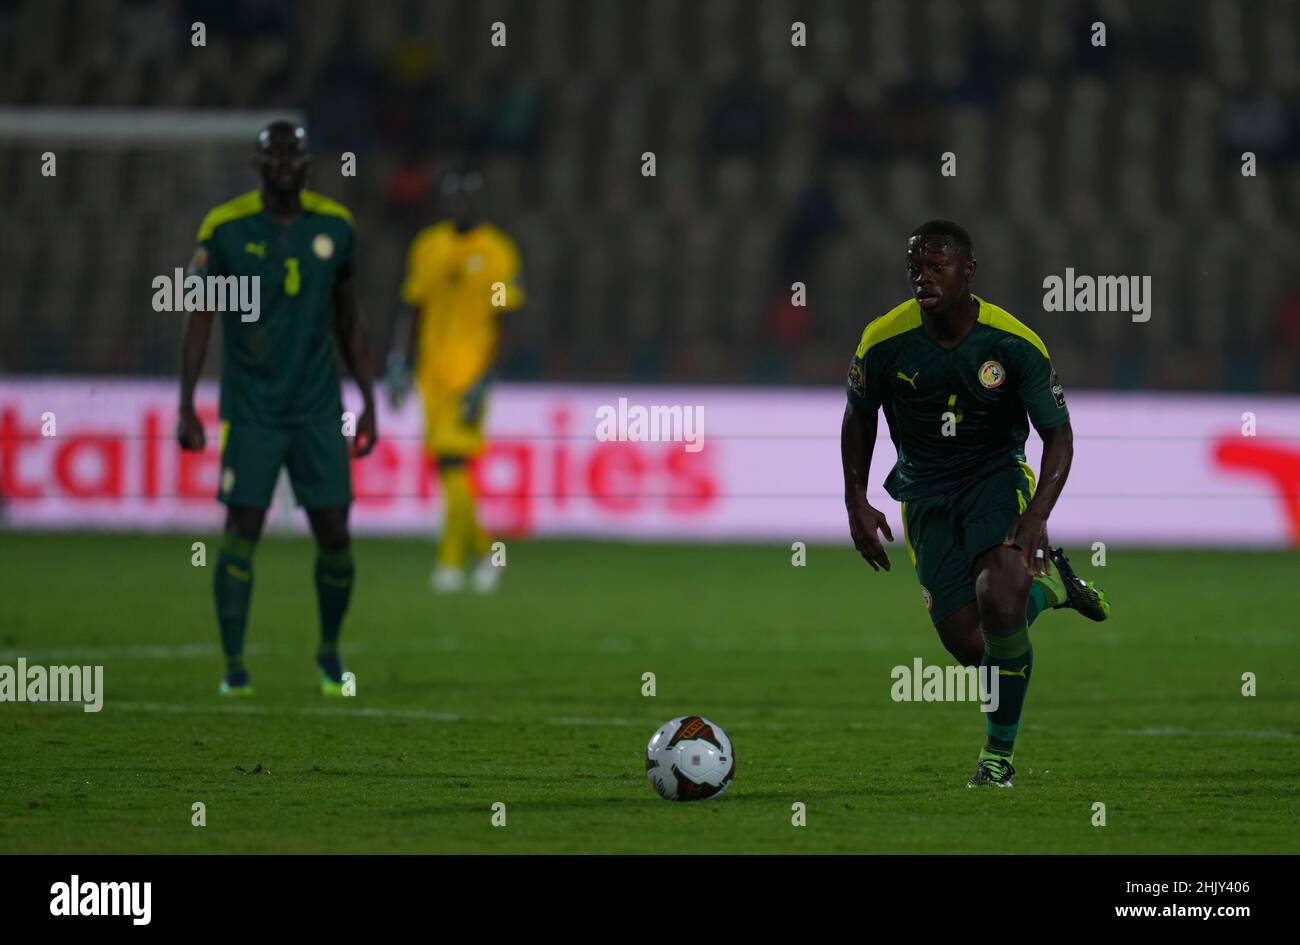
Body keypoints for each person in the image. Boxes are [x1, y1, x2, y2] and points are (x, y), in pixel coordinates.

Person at [841, 219, 1109, 787]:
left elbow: (1057, 433)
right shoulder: (883, 340)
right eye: (915, 266)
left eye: (936, 265)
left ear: (969, 272)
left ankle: (998, 757)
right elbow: (859, 415)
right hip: (925, 492)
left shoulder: (1013, 343)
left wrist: (1037, 513)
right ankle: (1051, 586)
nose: (923, 277)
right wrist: (855, 499)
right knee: (971, 644)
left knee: (999, 594)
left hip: (995, 478)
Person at [177, 119, 378, 696]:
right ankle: (234, 665)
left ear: (309, 163)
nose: (287, 162)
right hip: (254, 409)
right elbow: (199, 320)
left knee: (335, 531)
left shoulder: (335, 228)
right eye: (275, 154)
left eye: (295, 153)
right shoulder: (225, 229)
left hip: (318, 409)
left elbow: (350, 321)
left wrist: (367, 401)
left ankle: (329, 654)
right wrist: (186, 403)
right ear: (259, 164)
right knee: (242, 526)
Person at [387, 163, 525, 593]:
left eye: (467, 196)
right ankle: (486, 555)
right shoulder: (428, 247)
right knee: (448, 467)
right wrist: (399, 361)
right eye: (454, 197)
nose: (460, 205)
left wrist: (489, 375)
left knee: (453, 463)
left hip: (470, 373)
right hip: (433, 372)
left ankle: (449, 562)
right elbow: (414, 307)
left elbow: (505, 317)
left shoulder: (498, 252)